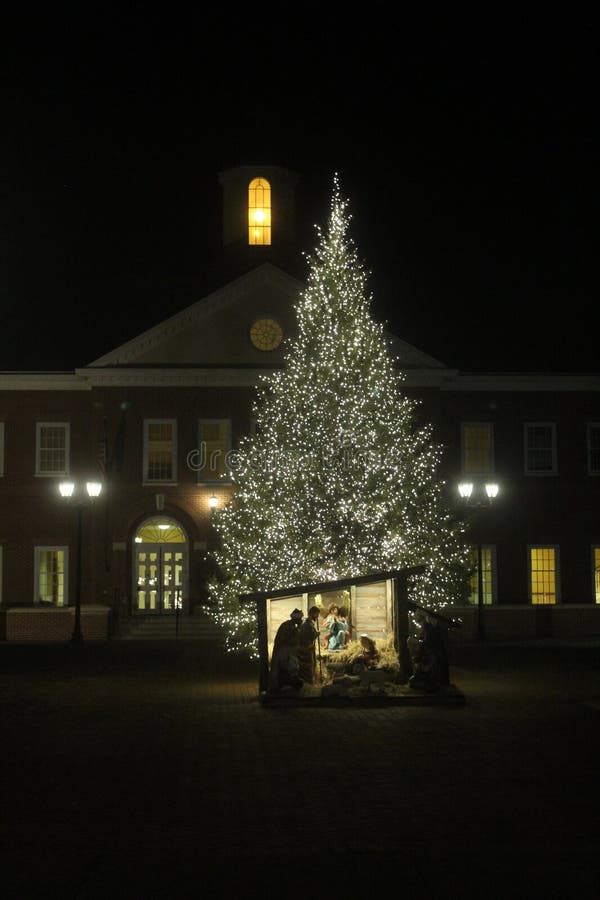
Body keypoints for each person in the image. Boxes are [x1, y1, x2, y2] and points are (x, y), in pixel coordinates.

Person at [268, 608, 303, 692]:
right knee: (285, 669)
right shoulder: (288, 626)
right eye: (300, 619)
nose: (301, 620)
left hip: (286, 652)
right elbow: (286, 640)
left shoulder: (290, 626)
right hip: (282, 652)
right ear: (296, 619)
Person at [297, 606, 321, 684]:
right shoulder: (307, 624)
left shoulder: (309, 623)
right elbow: (308, 636)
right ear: (312, 614)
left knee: (310, 667)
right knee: (307, 669)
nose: (317, 616)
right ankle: (308, 684)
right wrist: (316, 634)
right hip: (305, 651)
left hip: (308, 649)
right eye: (317, 614)